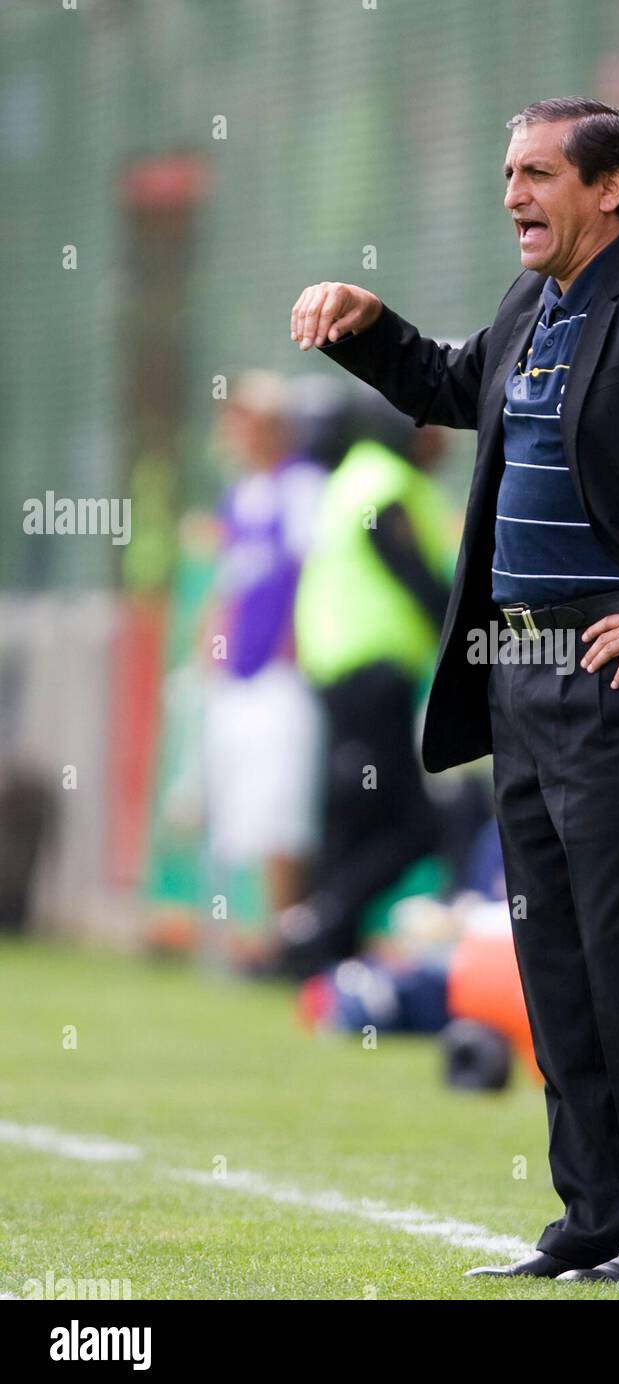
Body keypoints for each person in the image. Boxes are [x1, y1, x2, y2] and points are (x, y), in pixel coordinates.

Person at [292, 97, 619, 1286]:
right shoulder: (536, 301)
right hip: (518, 677)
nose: (512, 194)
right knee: (552, 956)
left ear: (610, 188)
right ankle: (596, 1215)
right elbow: (457, 386)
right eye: (507, 172)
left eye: (535, 174)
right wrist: (370, 329)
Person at [279, 410, 455, 977]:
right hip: (371, 676)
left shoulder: (353, 477)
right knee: (416, 825)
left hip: (340, 675)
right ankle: (317, 923)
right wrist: (479, 645)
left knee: (353, 814)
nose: (444, 436)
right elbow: (416, 577)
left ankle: (329, 953)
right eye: (435, 423)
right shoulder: (383, 483)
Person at [204, 370, 327, 966]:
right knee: (242, 802)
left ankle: (284, 935)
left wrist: (292, 650)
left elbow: (309, 574)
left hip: (282, 674)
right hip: (238, 674)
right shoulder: (237, 499)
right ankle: (244, 937)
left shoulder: (302, 487)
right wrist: (212, 642)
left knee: (282, 806)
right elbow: (231, 585)